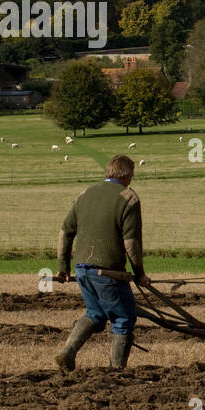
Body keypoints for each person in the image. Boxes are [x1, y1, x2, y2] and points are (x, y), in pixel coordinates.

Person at [52, 154, 152, 371]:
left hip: (82, 271)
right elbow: (131, 242)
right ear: (126, 174)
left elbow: (64, 232)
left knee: (96, 315)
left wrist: (63, 268)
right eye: (132, 175)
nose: (132, 179)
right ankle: (117, 371)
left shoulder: (85, 194)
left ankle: (68, 351)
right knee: (124, 318)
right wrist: (140, 272)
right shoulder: (129, 198)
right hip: (108, 273)